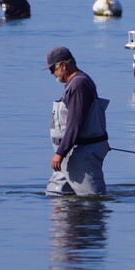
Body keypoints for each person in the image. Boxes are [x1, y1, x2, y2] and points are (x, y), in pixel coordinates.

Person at [44, 46, 110, 197]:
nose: (52, 74)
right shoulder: (74, 83)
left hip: (81, 153)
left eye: (52, 69)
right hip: (70, 153)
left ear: (63, 66)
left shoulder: (79, 84)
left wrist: (60, 153)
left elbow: (75, 123)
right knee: (56, 196)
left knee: (92, 199)